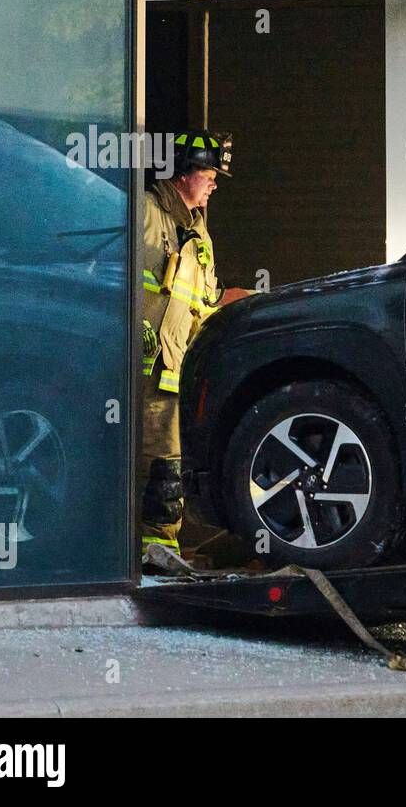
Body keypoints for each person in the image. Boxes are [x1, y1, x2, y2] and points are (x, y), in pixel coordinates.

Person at [140, 131, 231, 559]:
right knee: (151, 460)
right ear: (182, 175)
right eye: (209, 174)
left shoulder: (199, 235)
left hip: (175, 372)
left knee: (169, 464)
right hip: (137, 367)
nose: (214, 184)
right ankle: (148, 548)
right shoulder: (145, 214)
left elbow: (203, 306)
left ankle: (160, 546)